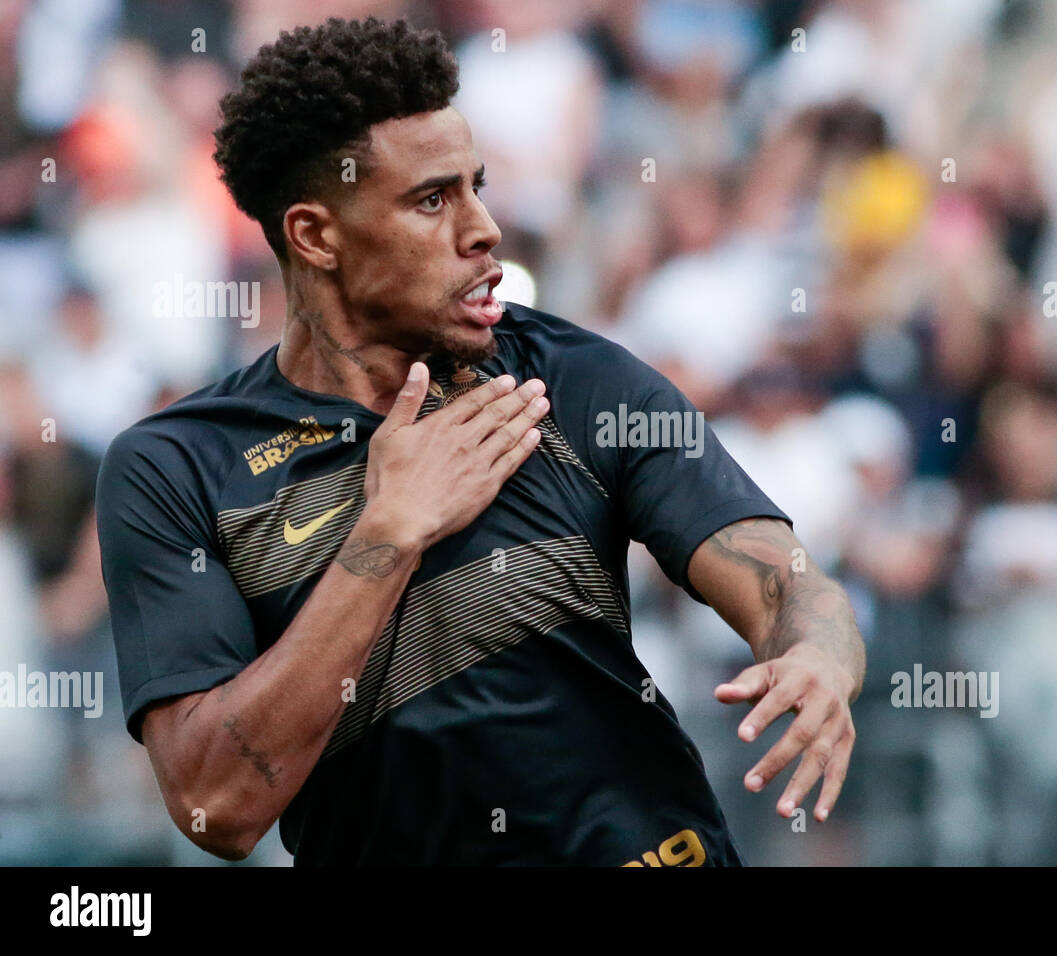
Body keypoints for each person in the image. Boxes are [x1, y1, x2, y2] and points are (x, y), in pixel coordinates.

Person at [94, 17, 865, 866]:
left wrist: (818, 658)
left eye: (477, 186)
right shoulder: (177, 468)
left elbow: (783, 579)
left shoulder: (568, 380)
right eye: (433, 199)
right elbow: (214, 807)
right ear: (316, 236)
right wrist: (387, 535)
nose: (484, 228)